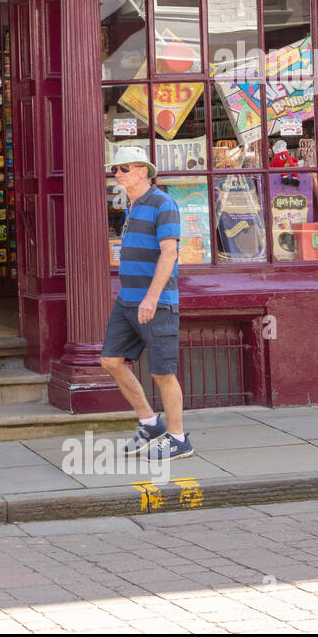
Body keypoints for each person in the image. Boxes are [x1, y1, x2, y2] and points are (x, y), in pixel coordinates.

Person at [100, 147, 192, 460]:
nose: (117, 174)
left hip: (157, 302)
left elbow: (169, 253)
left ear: (144, 171)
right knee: (111, 361)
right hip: (128, 300)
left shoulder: (163, 204)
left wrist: (151, 298)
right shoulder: (134, 205)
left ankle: (179, 438)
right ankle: (150, 422)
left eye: (124, 168)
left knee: (163, 372)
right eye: (115, 169)